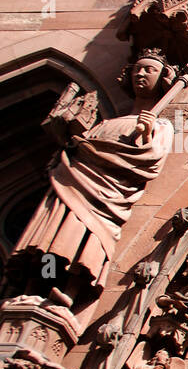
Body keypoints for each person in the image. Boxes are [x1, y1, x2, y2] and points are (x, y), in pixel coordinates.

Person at [9, 48, 177, 306]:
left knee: (78, 242)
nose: (140, 74)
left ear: (163, 77)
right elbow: (82, 145)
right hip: (70, 181)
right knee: (49, 241)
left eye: (149, 70)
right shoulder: (106, 124)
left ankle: (68, 292)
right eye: (137, 69)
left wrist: (144, 134)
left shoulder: (160, 126)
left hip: (103, 196)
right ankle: (36, 287)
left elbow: (150, 159)